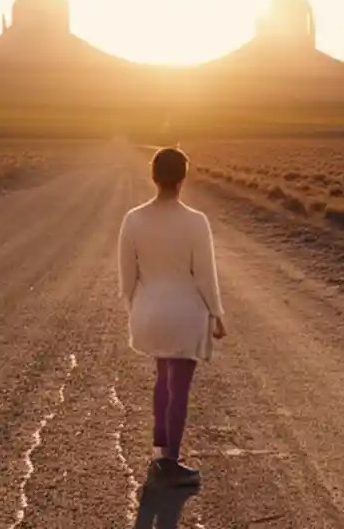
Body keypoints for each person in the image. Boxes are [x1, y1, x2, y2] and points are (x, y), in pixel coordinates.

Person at [118, 147, 227, 488]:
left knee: (162, 377)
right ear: (182, 178)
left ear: (154, 176)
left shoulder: (133, 219)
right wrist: (217, 313)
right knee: (178, 386)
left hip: (150, 313)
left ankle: (161, 453)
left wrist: (137, 307)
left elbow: (126, 276)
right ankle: (170, 461)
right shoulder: (196, 221)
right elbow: (205, 275)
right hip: (185, 314)